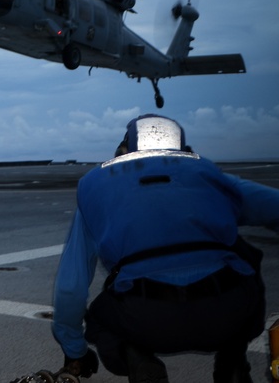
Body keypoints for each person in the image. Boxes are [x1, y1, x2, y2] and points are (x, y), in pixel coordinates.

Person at [51, 114, 279, 383]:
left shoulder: (95, 187)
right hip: (228, 312)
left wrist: (75, 350)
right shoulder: (208, 174)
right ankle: (233, 362)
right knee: (243, 255)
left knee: (101, 319)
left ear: (124, 150)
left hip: (145, 319)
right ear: (184, 149)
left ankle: (136, 357)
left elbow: (70, 287)